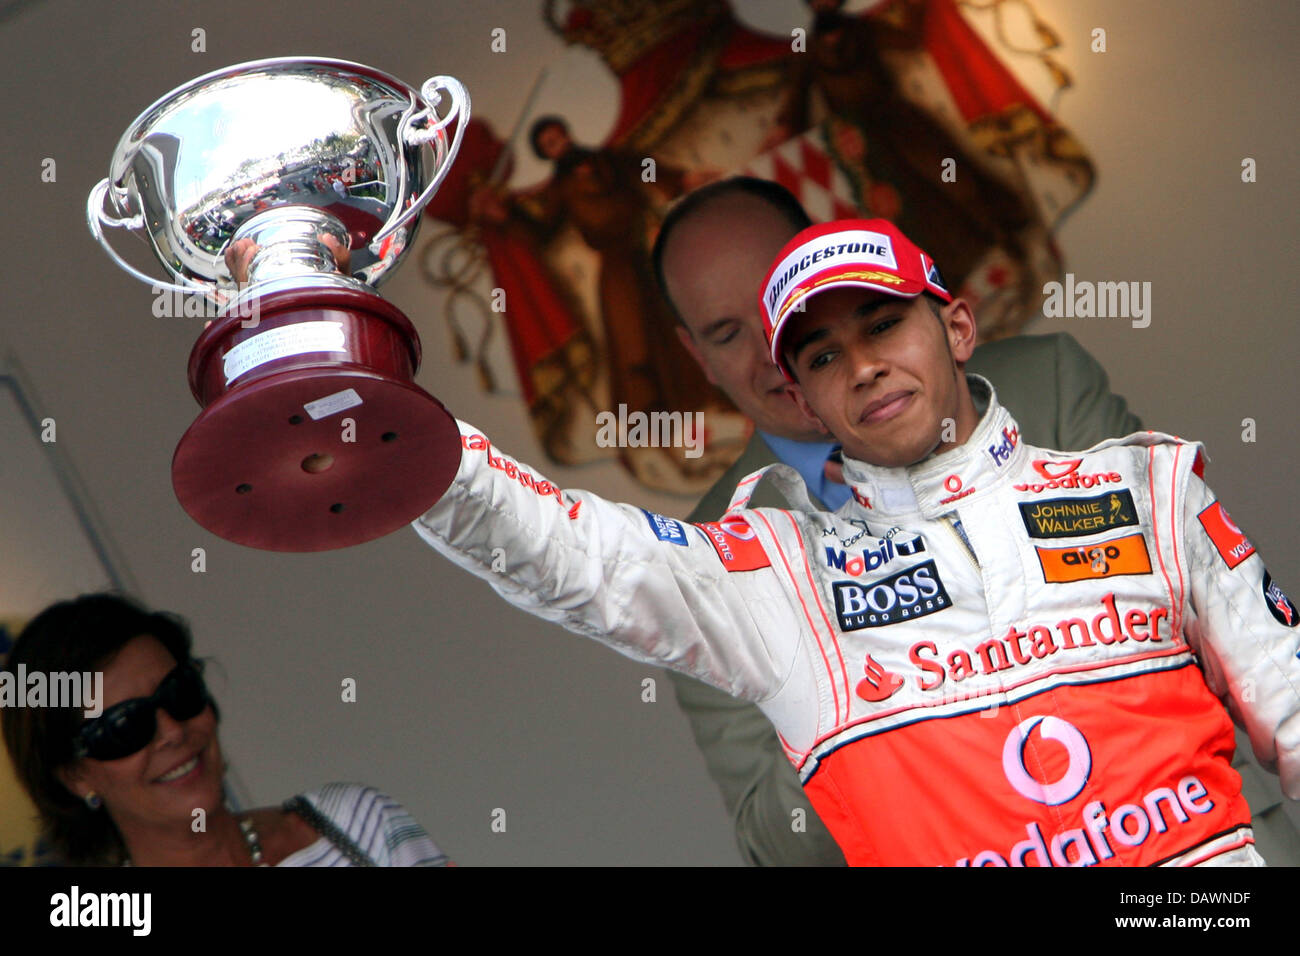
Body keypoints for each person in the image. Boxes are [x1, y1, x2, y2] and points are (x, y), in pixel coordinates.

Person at [411, 216, 1299, 866]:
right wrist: (409, 448)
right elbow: (583, 559)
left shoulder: (1145, 490)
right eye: (824, 355)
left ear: (957, 328)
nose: (865, 365)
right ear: (801, 401)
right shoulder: (785, 575)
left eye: (882, 324)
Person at [650, 176, 1300, 865]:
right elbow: (775, 843)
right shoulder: (706, 554)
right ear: (696, 355)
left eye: (776, 295)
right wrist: (860, 699)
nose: (767, 347)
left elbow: (1228, 628)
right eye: (728, 332)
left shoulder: (1048, 382)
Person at [1, 594, 449, 866]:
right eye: (125, 726)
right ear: (75, 777)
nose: (171, 731)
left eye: (179, 693)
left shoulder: (352, 824)